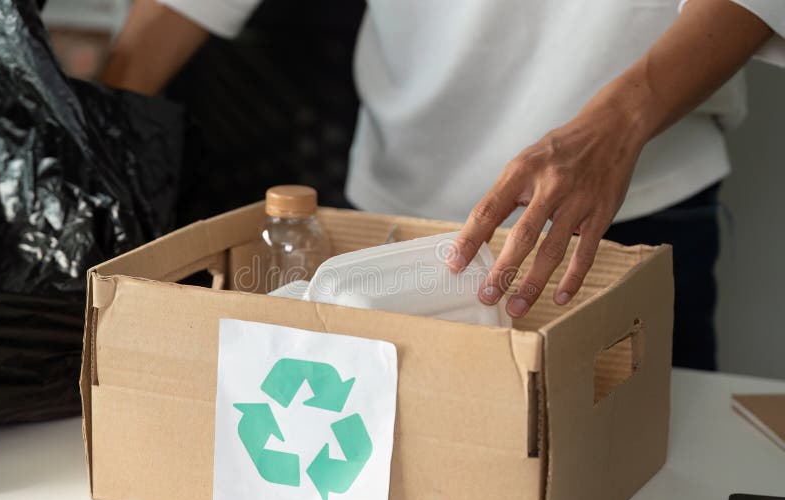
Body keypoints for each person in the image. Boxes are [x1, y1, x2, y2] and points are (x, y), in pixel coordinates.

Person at [101, 0, 784, 370]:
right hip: (390, 217)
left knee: (649, 492)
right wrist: (84, 134)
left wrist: (619, 124)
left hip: (618, 218)